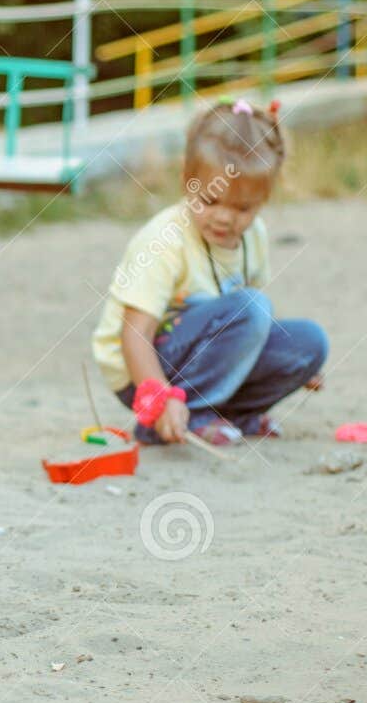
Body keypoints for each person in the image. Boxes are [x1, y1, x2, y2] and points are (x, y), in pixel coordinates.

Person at [92, 99, 327, 446]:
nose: (224, 218)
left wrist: (294, 363)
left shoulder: (254, 237)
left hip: (204, 355)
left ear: (264, 198)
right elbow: (134, 334)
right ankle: (175, 417)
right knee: (251, 307)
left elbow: (247, 327)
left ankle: (234, 415)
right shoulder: (164, 240)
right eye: (210, 200)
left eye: (242, 207)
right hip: (142, 370)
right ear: (187, 181)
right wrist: (159, 398)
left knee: (309, 342)